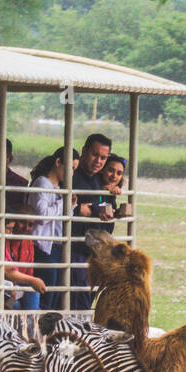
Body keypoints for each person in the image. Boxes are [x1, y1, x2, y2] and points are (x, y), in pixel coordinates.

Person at [26, 147, 75, 310]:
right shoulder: (41, 183)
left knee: (53, 296)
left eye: (74, 169)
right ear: (58, 162)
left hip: (55, 246)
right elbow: (42, 216)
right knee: (46, 295)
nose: (72, 173)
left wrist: (70, 205)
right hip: (42, 246)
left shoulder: (59, 189)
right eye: (70, 168)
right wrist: (65, 203)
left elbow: (59, 219)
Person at [68, 133, 112, 310]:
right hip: (75, 250)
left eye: (103, 158)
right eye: (95, 155)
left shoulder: (100, 180)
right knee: (79, 301)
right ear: (84, 151)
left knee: (89, 297)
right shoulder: (71, 176)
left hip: (96, 253)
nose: (98, 161)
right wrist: (81, 209)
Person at [95, 153, 133, 232]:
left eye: (119, 173)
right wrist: (105, 189)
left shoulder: (112, 193)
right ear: (102, 170)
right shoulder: (93, 185)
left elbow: (110, 212)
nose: (114, 176)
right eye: (111, 170)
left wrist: (119, 213)